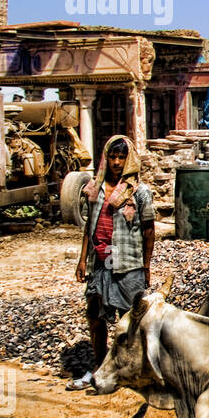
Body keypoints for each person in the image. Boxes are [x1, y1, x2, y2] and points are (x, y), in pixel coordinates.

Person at [69, 135, 155, 390]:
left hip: (128, 265)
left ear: (129, 160)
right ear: (106, 158)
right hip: (100, 264)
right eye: (112, 157)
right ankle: (99, 368)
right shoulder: (94, 189)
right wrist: (82, 260)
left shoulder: (139, 192)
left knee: (130, 322)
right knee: (95, 318)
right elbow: (89, 227)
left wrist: (146, 266)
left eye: (121, 157)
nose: (117, 162)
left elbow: (149, 231)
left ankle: (132, 372)